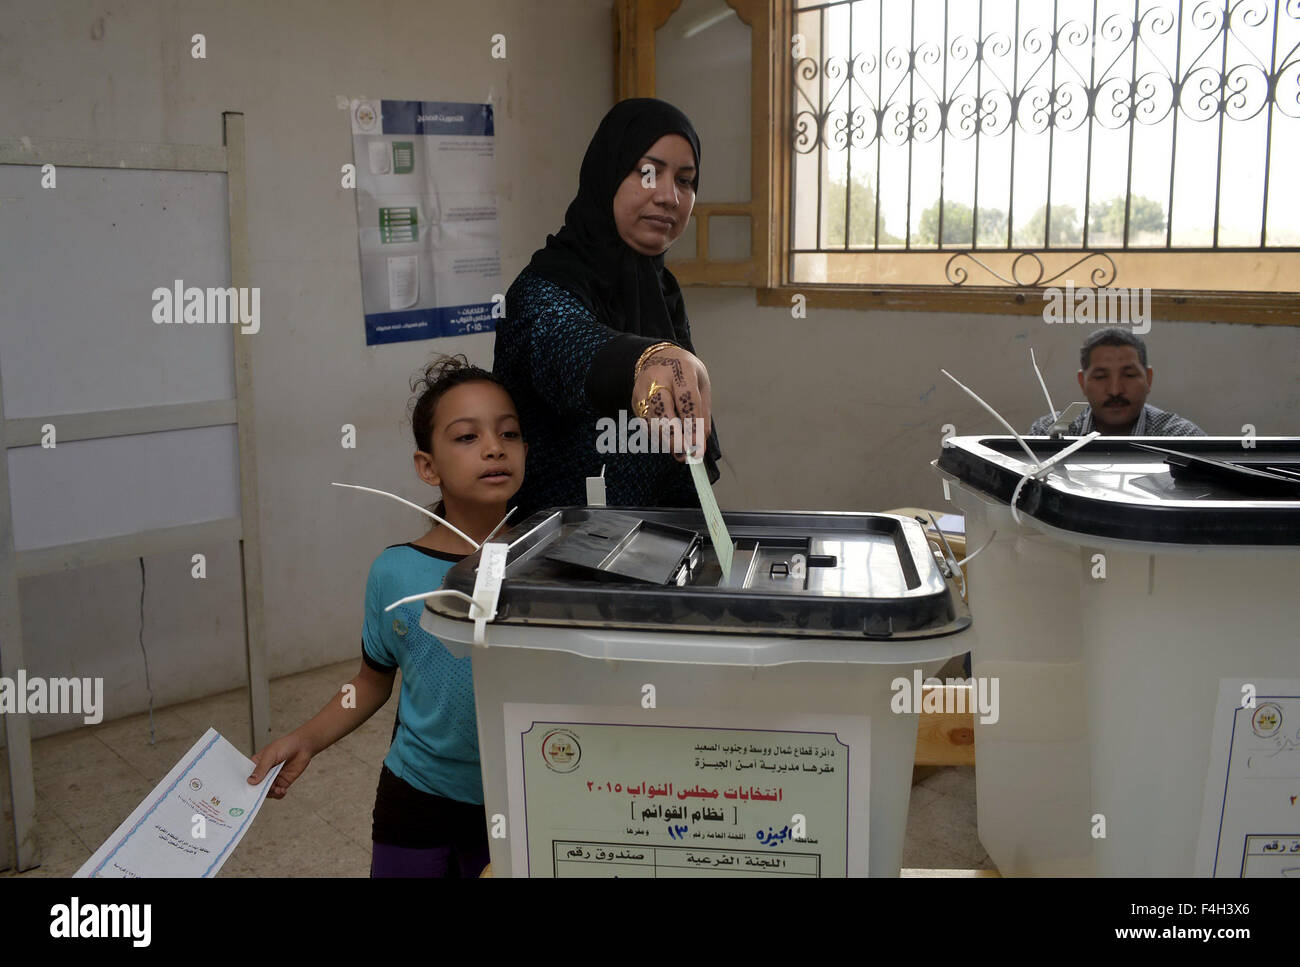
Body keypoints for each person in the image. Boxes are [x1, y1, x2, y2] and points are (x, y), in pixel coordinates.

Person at [247, 355, 526, 877]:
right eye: (467, 437)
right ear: (427, 467)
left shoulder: (548, 566)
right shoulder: (395, 572)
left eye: (509, 433)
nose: (494, 447)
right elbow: (371, 682)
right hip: (416, 799)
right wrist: (307, 737)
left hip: (523, 797)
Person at [494, 97, 722, 520]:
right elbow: (564, 342)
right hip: (560, 562)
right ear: (607, 173)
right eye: (649, 172)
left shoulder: (660, 291)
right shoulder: (539, 291)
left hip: (659, 551)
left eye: (686, 180)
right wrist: (645, 359)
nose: (670, 196)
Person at [1028, 327, 1205, 436]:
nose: (1115, 390)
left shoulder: (1180, 438)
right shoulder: (1050, 432)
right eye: (1100, 377)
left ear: (1148, 379)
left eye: (1128, 375)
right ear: (1082, 382)